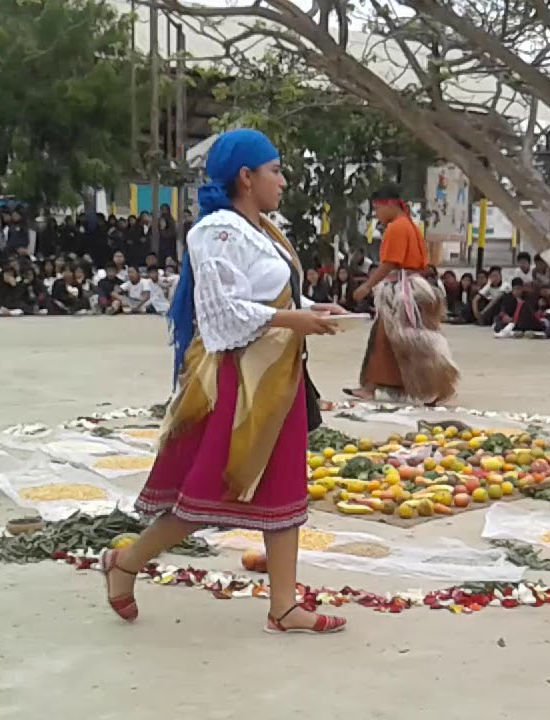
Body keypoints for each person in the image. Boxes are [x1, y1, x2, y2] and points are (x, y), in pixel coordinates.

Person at [102, 128, 348, 635]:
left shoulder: (264, 229)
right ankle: (126, 562)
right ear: (246, 176)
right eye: (275, 170)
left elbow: (271, 300)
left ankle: (283, 607)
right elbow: (221, 314)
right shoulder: (215, 231)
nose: (282, 180)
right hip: (236, 381)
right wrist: (293, 321)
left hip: (279, 376)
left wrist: (310, 310)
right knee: (208, 494)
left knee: (285, 490)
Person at [345, 185, 459, 404]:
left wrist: (367, 286)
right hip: (411, 286)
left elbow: (389, 263)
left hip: (404, 290)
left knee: (411, 340)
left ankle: (438, 384)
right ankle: (371, 385)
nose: (376, 214)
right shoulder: (408, 225)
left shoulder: (397, 227)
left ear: (389, 204)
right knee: (387, 338)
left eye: (377, 209)